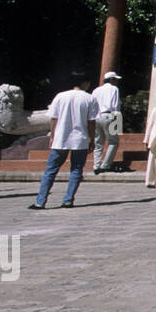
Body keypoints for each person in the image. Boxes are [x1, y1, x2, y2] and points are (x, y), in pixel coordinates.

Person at [30, 72, 98, 209]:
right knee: (76, 170)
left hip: (61, 138)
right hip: (80, 139)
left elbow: (53, 118)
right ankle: (68, 200)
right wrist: (92, 139)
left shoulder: (60, 96)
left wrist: (52, 136)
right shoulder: (89, 99)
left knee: (50, 170)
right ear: (84, 83)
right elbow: (91, 122)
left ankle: (40, 201)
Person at [91, 71, 122, 174]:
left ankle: (96, 165)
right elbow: (116, 105)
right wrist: (118, 122)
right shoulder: (114, 89)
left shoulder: (96, 90)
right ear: (112, 79)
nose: (116, 81)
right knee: (113, 142)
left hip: (96, 117)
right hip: (109, 115)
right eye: (115, 79)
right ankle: (106, 165)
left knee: (98, 142)